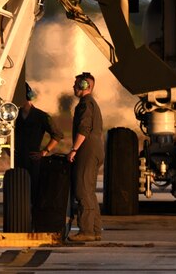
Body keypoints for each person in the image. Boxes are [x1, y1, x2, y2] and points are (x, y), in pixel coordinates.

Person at [67, 71, 104, 243]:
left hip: (87, 150)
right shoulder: (91, 103)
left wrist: (74, 150)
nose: (73, 87)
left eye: (76, 84)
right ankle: (95, 230)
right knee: (89, 191)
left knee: (82, 190)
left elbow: (84, 129)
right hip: (95, 149)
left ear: (84, 86)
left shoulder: (85, 104)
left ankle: (86, 230)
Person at [13, 82, 63, 203]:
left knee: (34, 190)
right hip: (17, 159)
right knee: (18, 191)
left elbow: (57, 135)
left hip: (33, 159)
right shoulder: (13, 116)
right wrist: (8, 150)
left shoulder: (41, 116)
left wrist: (44, 152)